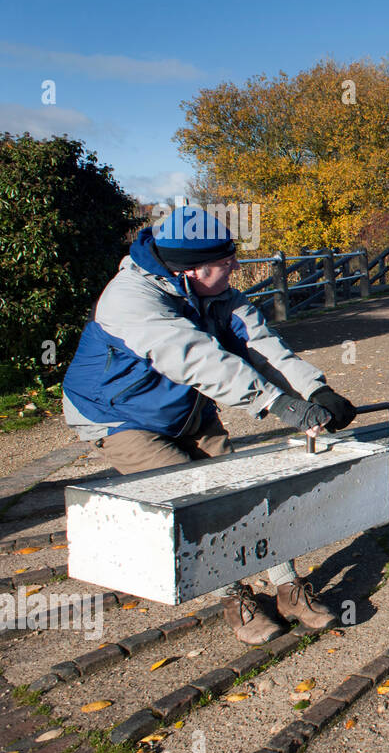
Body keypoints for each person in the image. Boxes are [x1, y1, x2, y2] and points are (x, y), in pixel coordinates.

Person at [62, 206, 358, 643]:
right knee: (196, 502)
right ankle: (232, 596)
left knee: (248, 491)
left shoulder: (216, 295)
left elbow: (261, 346)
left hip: (185, 409)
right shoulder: (129, 301)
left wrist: (314, 391)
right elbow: (198, 359)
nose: (236, 266)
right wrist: (277, 404)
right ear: (192, 271)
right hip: (118, 417)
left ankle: (286, 588)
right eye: (226, 262)